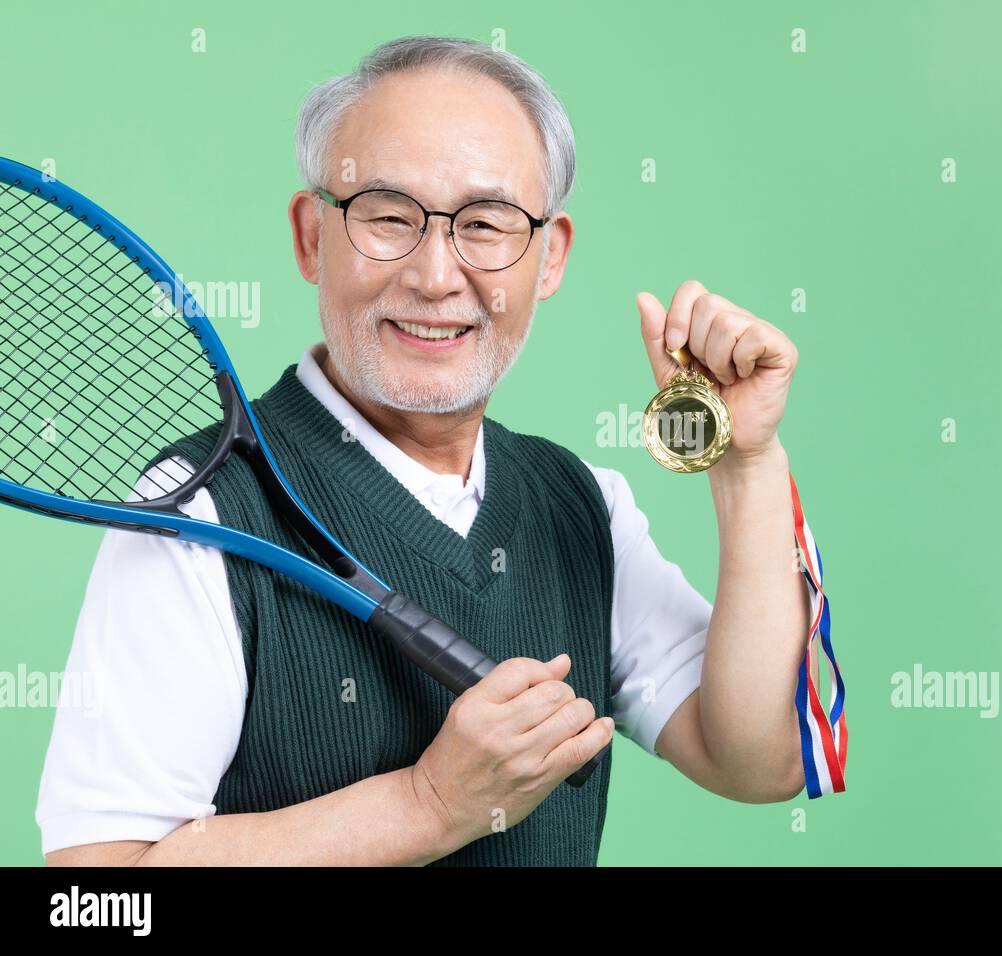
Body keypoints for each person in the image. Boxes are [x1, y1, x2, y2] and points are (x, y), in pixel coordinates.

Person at [38, 35, 815, 866]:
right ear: (312, 237)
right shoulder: (196, 510)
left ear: (548, 258)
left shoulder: (581, 504)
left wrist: (746, 465)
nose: (437, 274)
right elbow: (95, 896)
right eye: (388, 217)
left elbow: (762, 758)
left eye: (485, 224)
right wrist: (429, 804)